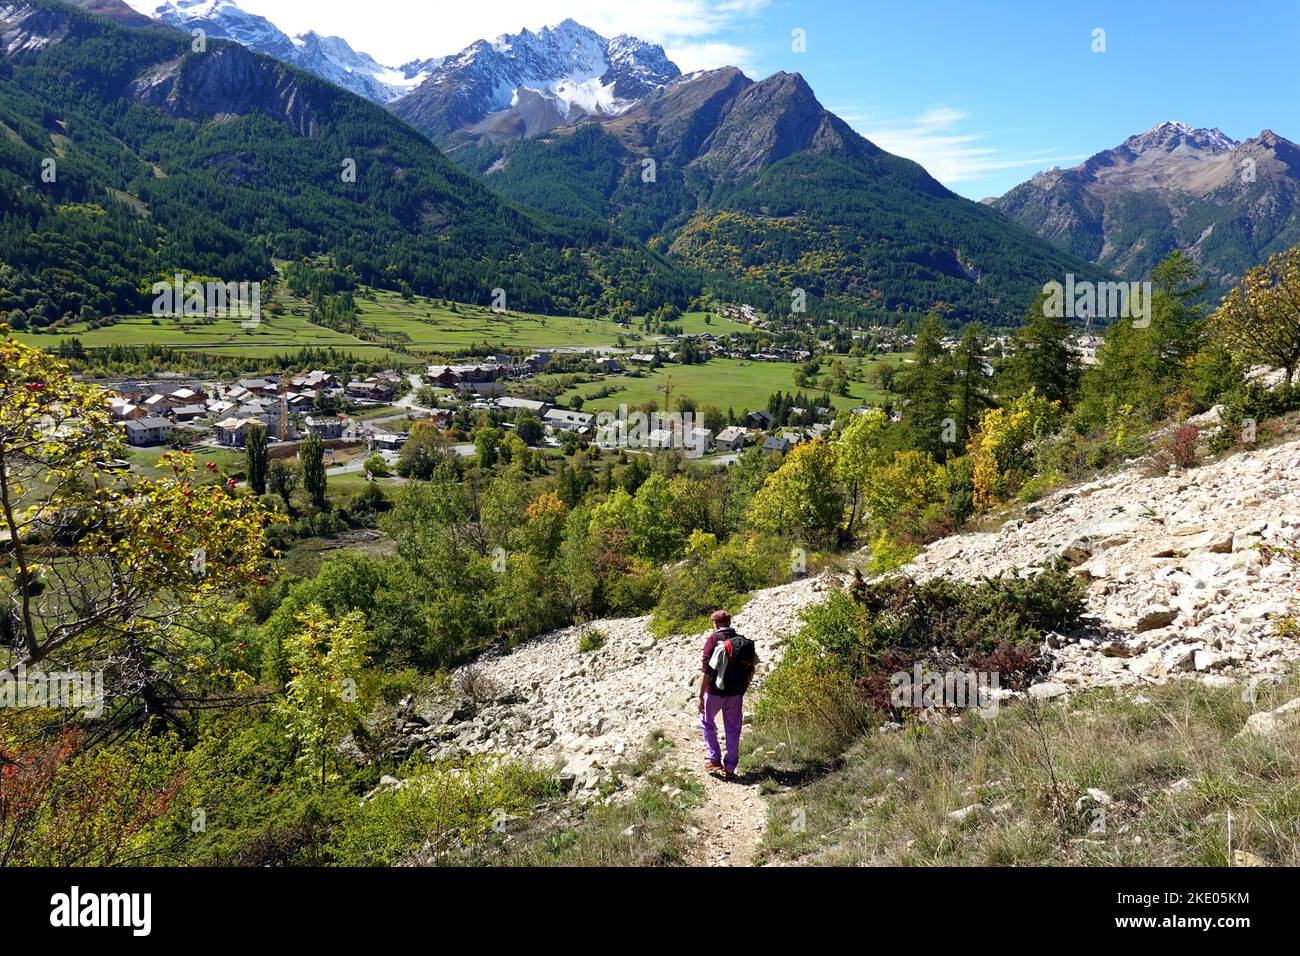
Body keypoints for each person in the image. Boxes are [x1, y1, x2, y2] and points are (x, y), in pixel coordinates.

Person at [698, 609, 754, 780]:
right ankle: (730, 767)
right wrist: (742, 690)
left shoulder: (713, 640)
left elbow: (706, 671)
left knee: (707, 722)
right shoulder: (742, 642)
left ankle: (714, 759)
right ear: (730, 622)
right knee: (733, 729)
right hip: (735, 693)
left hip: (714, 692)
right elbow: (751, 669)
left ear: (714, 623)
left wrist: (700, 696)